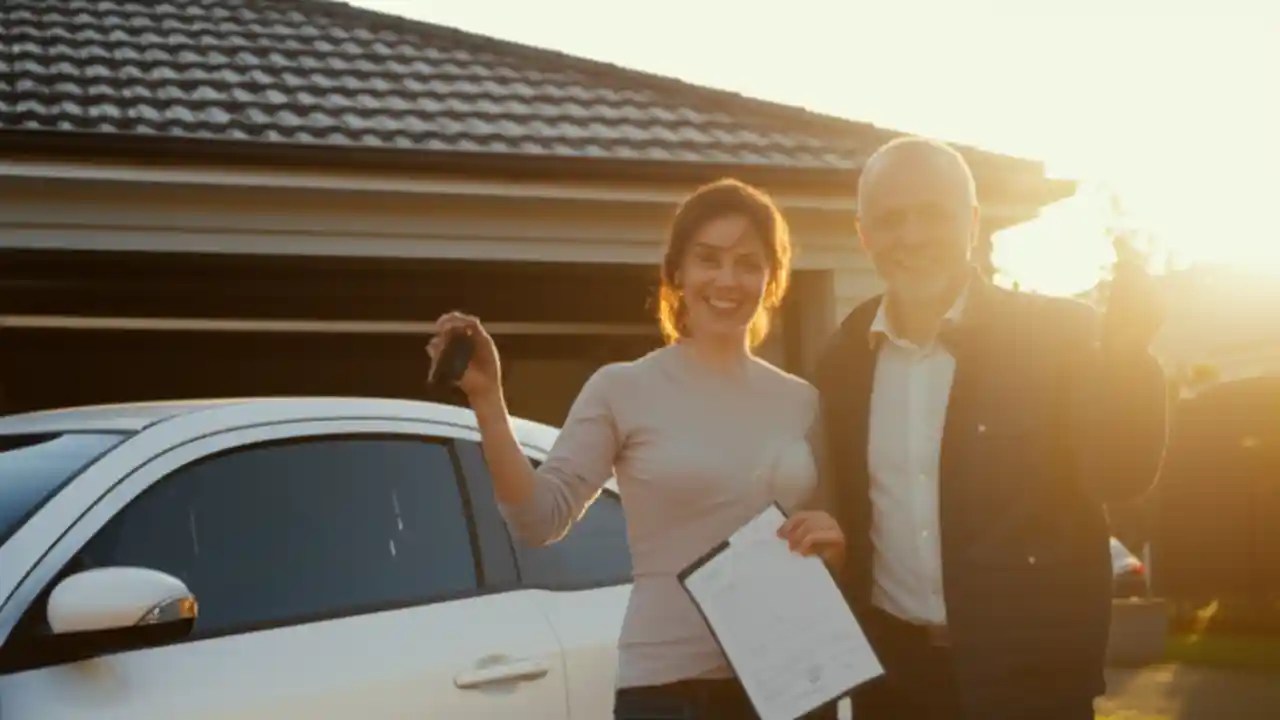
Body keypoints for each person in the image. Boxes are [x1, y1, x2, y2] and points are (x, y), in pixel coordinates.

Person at [427, 178, 846, 720]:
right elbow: (537, 519)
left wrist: (835, 545)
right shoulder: (623, 389)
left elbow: (833, 544)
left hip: (794, 678)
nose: (727, 279)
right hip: (670, 687)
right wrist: (488, 401)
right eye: (708, 259)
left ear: (772, 279)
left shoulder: (802, 401)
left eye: (748, 262)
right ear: (677, 273)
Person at [811, 137, 1168, 720]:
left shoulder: (1059, 337)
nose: (913, 237)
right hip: (896, 688)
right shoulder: (845, 357)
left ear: (972, 222)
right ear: (863, 235)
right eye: (891, 220)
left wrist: (1128, 358)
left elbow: (1121, 475)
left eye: (933, 214)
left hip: (1031, 686)